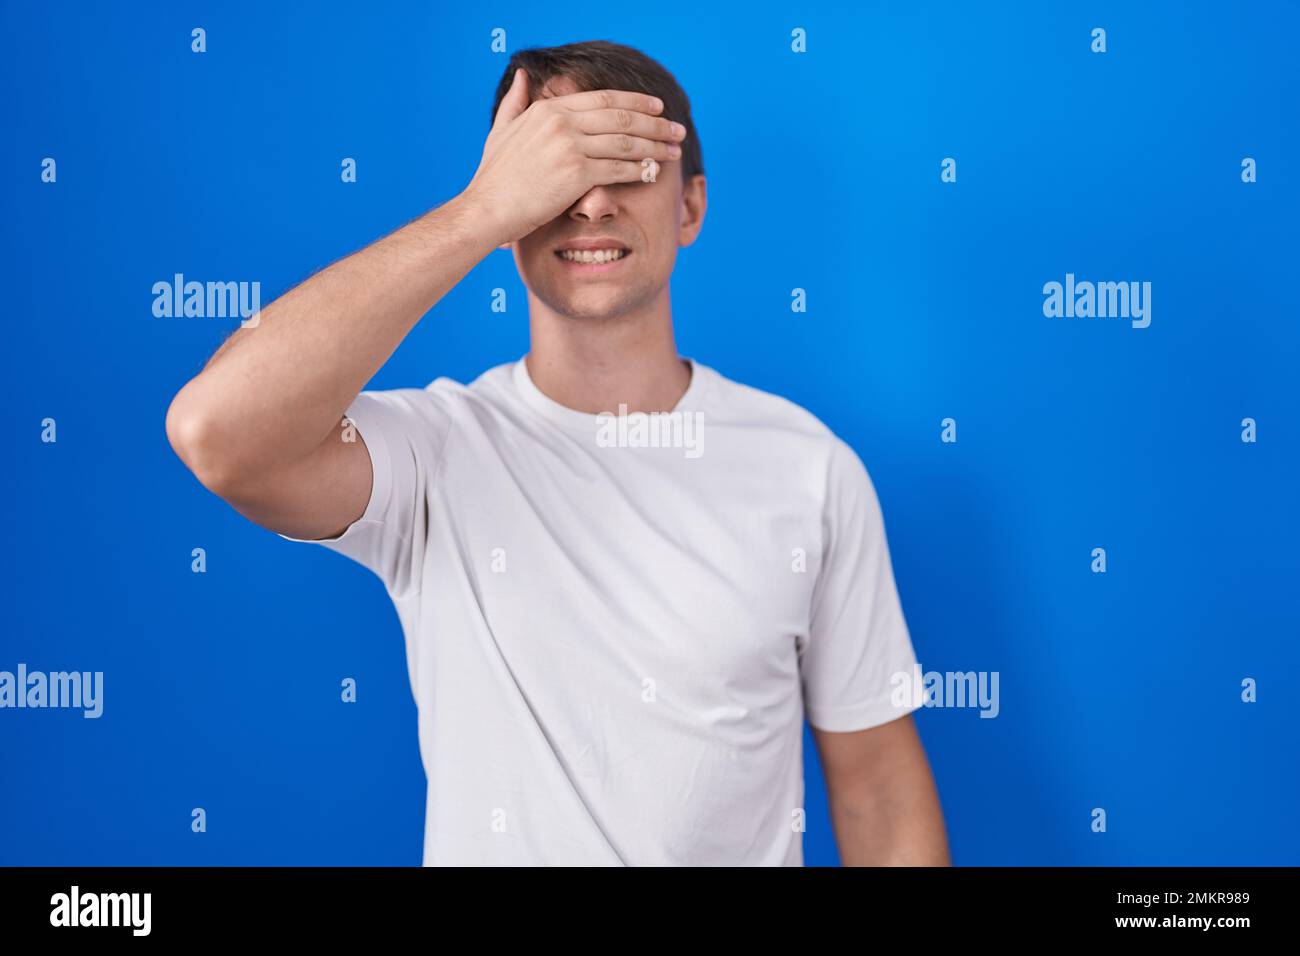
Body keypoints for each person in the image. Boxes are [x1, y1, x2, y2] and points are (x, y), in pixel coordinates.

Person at [165, 40, 950, 866]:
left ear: (689, 208)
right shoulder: (435, 454)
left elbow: (879, 792)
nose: (590, 204)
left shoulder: (810, 469)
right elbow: (217, 431)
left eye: (629, 164)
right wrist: (477, 211)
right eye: (559, 168)